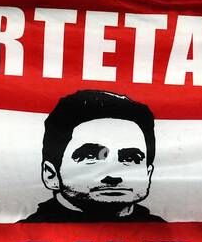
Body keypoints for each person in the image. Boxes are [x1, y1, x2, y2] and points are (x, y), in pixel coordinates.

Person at [22, 90, 163, 224]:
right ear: (51, 175)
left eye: (130, 159)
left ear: (148, 173)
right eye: (91, 157)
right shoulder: (21, 239)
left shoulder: (168, 238)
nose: (113, 175)